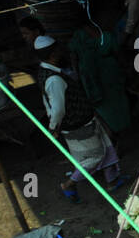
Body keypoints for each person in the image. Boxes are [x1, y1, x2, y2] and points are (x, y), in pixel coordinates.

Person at [37, 40, 122, 202]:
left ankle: (113, 180)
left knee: (105, 145)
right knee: (93, 157)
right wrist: (53, 127)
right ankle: (69, 184)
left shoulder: (44, 70)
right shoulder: (54, 80)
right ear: (54, 55)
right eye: (59, 51)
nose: (63, 53)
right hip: (78, 125)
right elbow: (58, 109)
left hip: (83, 119)